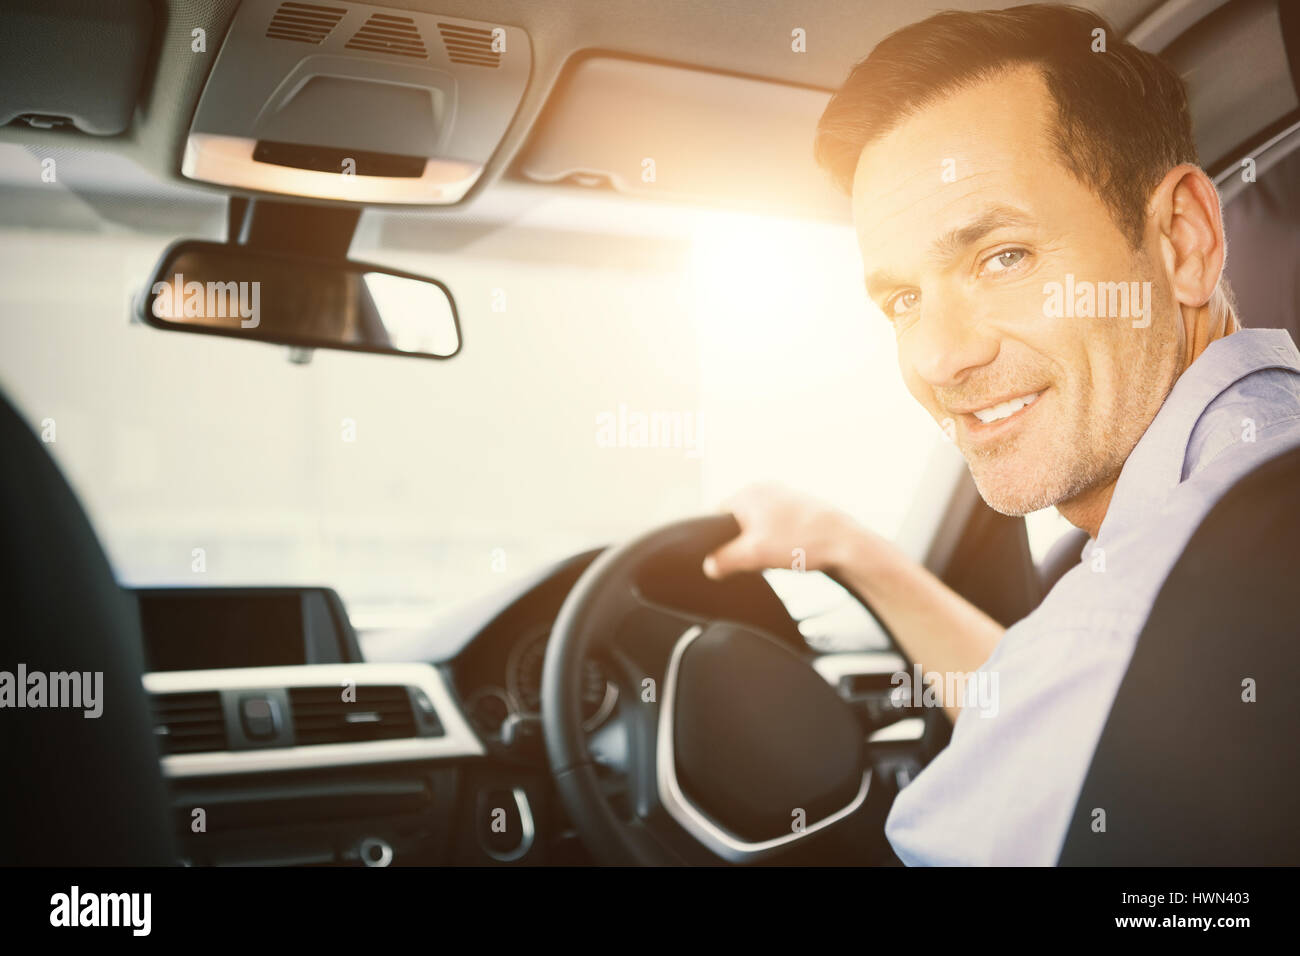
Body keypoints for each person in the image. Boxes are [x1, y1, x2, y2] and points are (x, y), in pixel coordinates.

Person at [703, 4, 1300, 865]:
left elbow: (1089, 671)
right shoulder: (1266, 457)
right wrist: (847, 549)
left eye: (1003, 258)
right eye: (904, 300)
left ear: (1183, 240)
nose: (940, 358)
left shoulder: (1121, 625)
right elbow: (1056, 712)